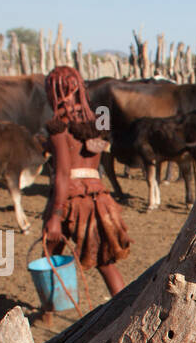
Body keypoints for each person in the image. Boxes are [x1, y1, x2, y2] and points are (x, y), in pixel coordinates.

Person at [41, 65, 130, 297]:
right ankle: (121, 308)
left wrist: (55, 216)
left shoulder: (58, 127)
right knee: (105, 261)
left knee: (50, 255)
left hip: (70, 200)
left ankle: (49, 311)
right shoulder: (99, 119)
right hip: (98, 197)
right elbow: (96, 148)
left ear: (54, 92)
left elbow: (62, 174)